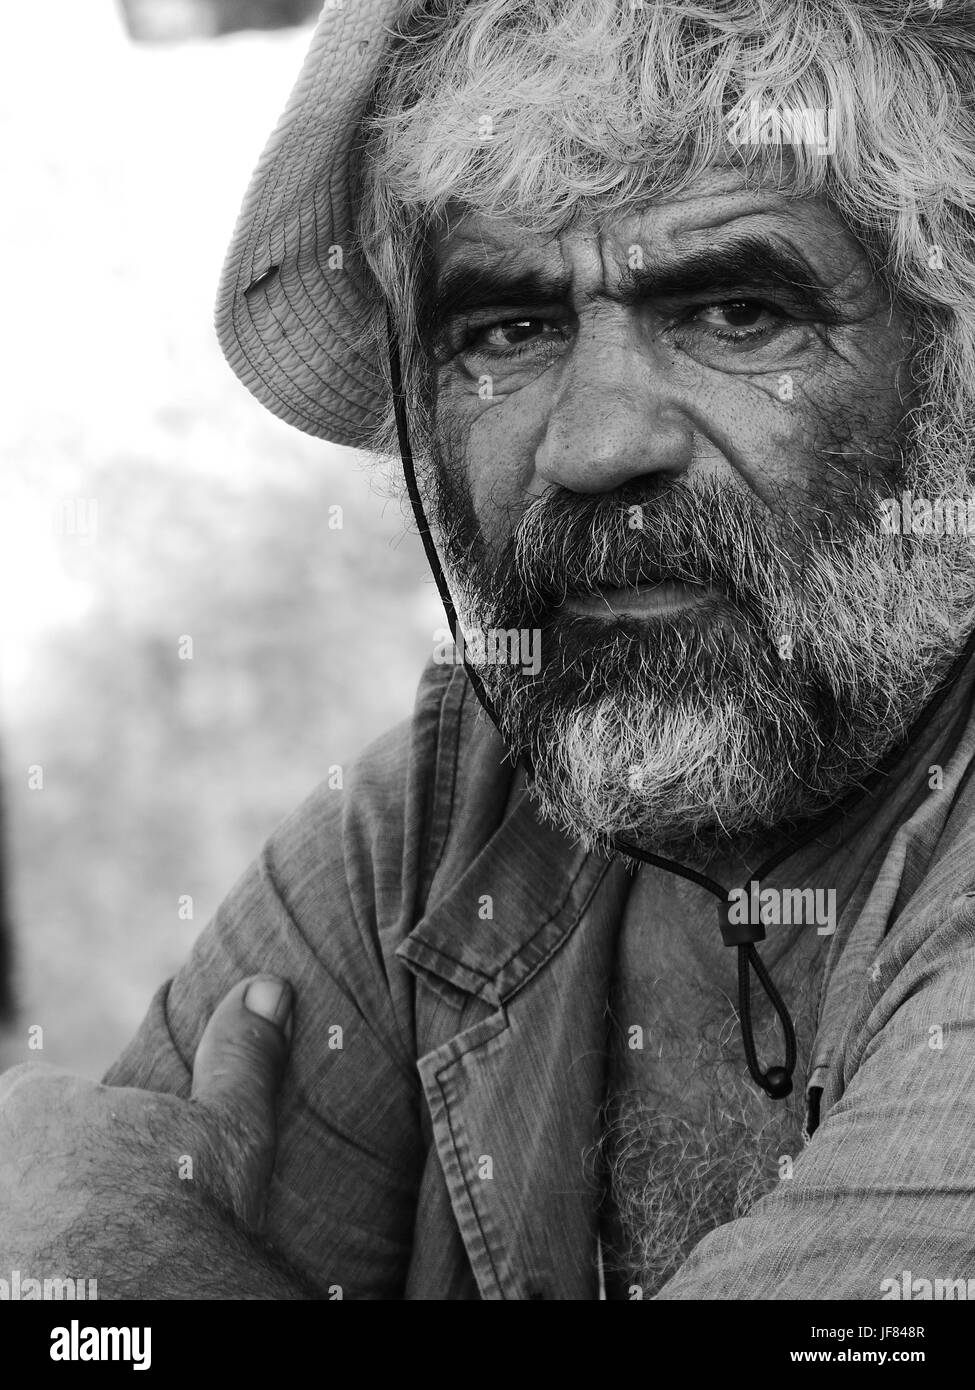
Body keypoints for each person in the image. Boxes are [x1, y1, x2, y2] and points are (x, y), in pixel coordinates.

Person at [4, 0, 975, 1301]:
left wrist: (112, 1249)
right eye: (508, 332)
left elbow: (76, 1270)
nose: (595, 444)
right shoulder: (441, 821)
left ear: (951, 374)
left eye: (737, 312)